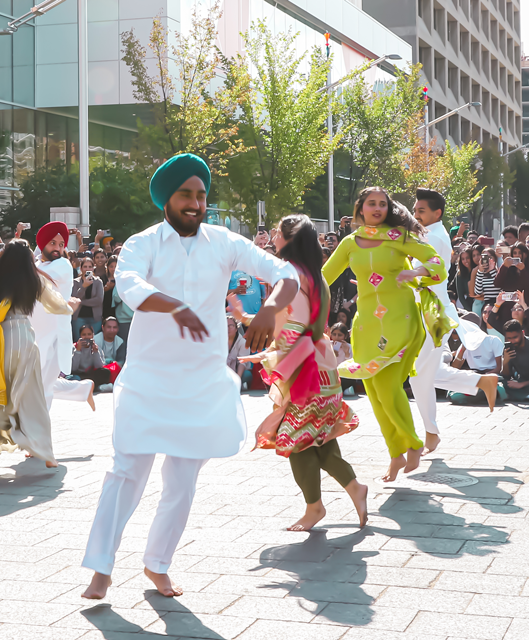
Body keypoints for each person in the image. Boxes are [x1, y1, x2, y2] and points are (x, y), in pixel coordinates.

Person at [81, 153, 299, 600]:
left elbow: (284, 272)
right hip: (147, 378)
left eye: (201, 195)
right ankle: (101, 567)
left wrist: (273, 308)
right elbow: (130, 285)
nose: (195, 202)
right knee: (127, 472)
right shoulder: (143, 243)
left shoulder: (224, 241)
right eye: (186, 194)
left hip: (201, 381)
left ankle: (157, 564)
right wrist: (175, 305)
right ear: (167, 199)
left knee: (182, 482)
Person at [239, 215, 365, 532]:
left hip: (303, 369)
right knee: (319, 438)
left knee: (296, 441)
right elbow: (298, 325)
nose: (272, 237)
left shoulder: (291, 276)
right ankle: (353, 488)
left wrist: (258, 339)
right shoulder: (314, 275)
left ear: (290, 239)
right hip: (319, 365)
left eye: (278, 233)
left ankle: (314, 507)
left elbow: (290, 329)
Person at [322, 187, 449, 483]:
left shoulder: (399, 237)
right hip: (365, 324)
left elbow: (437, 264)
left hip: (400, 318)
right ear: (360, 209)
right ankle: (395, 453)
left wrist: (414, 274)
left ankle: (413, 443)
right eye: (372, 204)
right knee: (375, 393)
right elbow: (323, 277)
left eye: (383, 204)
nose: (378, 208)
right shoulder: (350, 243)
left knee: (389, 386)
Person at [0, 240, 74, 469]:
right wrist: (71, 304)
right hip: (20, 336)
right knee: (29, 394)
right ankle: (47, 455)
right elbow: (57, 306)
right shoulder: (34, 280)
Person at [408, 188, 497, 454]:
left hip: (431, 316)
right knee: (425, 374)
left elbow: (418, 275)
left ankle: (432, 433)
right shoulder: (429, 234)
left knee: (418, 376)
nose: (415, 215)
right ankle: (481, 382)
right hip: (429, 313)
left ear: (437, 213)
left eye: (420, 211)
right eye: (414, 210)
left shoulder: (434, 238)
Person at [31, 221, 95, 412]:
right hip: (34, 333)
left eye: (61, 244)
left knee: (42, 390)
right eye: (52, 243)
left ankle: (38, 438)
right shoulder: (37, 264)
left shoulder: (63, 265)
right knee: (34, 383)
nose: (57, 248)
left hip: (53, 336)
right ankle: (82, 389)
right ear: (43, 244)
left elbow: (33, 277)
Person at [71, 256, 104, 339]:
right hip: (78, 318)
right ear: (81, 268)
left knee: (94, 341)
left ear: (93, 268)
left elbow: (99, 300)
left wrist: (81, 302)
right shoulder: (75, 282)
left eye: (90, 267)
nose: (87, 269)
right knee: (79, 341)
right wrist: (84, 286)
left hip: (95, 318)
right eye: (85, 267)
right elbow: (74, 299)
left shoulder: (98, 282)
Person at [499, 320, 529, 402]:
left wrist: (521, 384)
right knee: (497, 380)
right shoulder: (509, 349)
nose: (512, 341)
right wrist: (505, 361)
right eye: (509, 338)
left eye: (515, 337)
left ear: (522, 333)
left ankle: (516, 395)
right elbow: (506, 376)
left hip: (524, 384)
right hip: (521, 382)